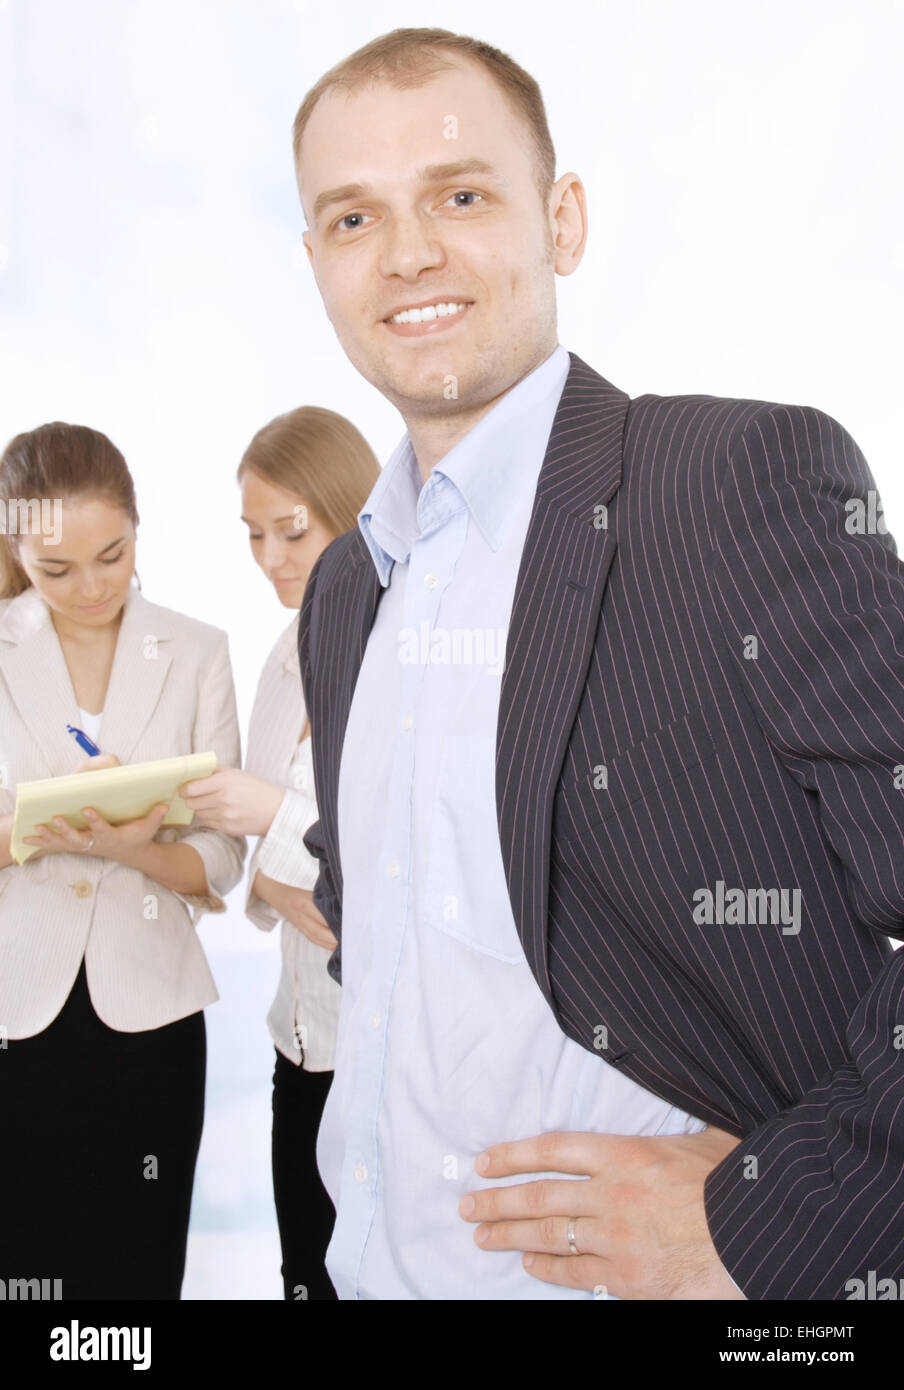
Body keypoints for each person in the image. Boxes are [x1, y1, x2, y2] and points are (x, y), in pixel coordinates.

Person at [288, 27, 904, 1300]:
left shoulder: (731, 484)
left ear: (560, 219)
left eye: (461, 195)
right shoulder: (349, 587)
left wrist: (781, 1220)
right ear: (317, 262)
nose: (408, 253)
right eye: (354, 218)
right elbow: (385, 916)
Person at [0, 422, 245, 1300]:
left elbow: (219, 858)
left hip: (149, 1022)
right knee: (21, 1272)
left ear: (138, 526)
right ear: (13, 546)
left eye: (112, 554)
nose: (92, 588)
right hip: (12, 1015)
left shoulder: (197, 650)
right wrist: (40, 822)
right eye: (55, 570)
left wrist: (128, 845)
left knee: (132, 1279)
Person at [179, 406, 378, 1300]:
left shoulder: (408, 644)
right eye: (254, 535)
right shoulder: (282, 656)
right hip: (297, 1044)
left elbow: (384, 866)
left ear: (352, 507)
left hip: (386, 1052)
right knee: (306, 1275)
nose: (269, 557)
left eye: (290, 530)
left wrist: (276, 823)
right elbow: (281, 875)